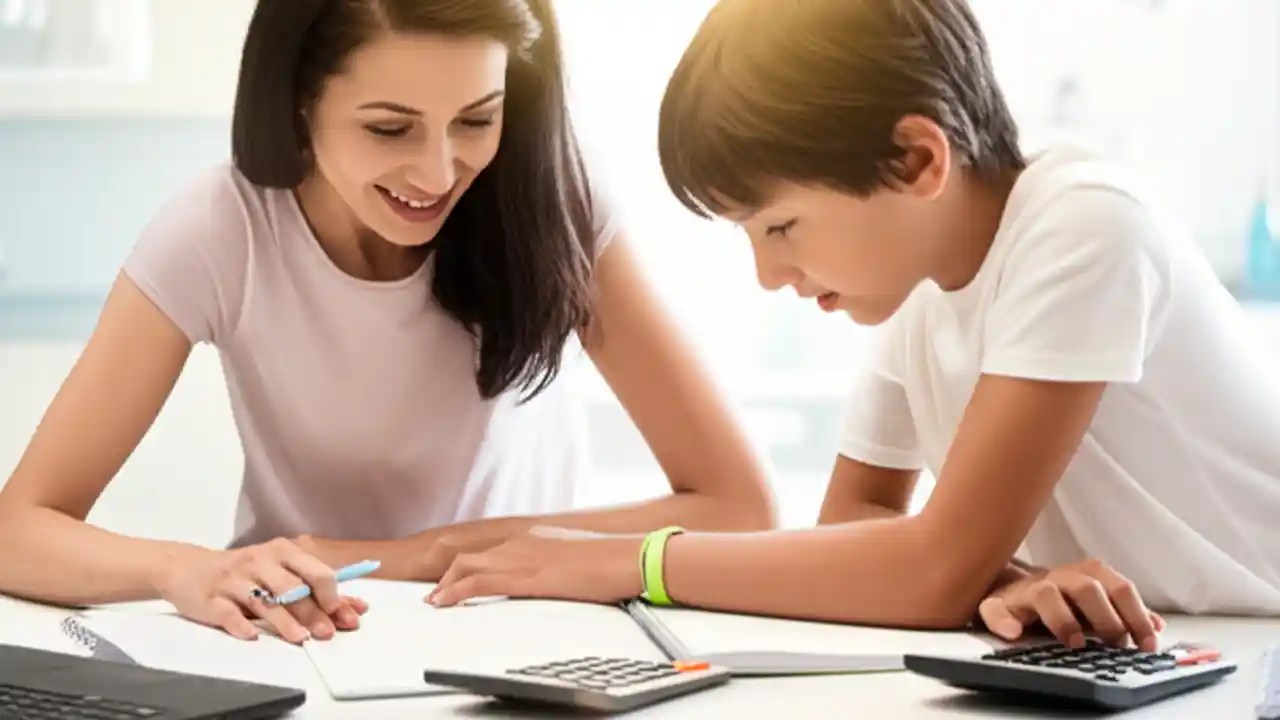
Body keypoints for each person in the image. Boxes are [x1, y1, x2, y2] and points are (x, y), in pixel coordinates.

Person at [427, 0, 1280, 651]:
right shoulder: (920, 297)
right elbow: (857, 531)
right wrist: (998, 577)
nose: (769, 275)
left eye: (782, 227)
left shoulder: (1085, 224)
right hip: (1185, 649)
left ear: (917, 160)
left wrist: (626, 559)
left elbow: (925, 571)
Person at [0, 0, 778, 645]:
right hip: (309, 637)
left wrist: (426, 552)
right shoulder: (222, 228)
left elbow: (739, 509)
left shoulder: (552, 200)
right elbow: (18, 532)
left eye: (477, 120)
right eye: (389, 129)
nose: (439, 173)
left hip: (525, 631)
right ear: (300, 101)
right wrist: (184, 568)